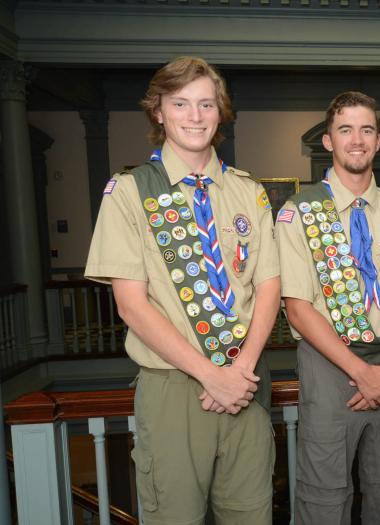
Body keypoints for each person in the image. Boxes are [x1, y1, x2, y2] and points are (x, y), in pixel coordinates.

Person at [85, 56, 281, 524]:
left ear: (220, 112)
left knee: (251, 516)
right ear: (158, 112)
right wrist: (211, 375)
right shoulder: (130, 191)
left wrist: (240, 370)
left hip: (247, 382)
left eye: (206, 104)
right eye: (181, 103)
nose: (195, 116)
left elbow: (269, 287)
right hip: (174, 387)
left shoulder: (248, 192)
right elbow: (131, 306)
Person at [275, 91, 380, 525]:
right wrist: (362, 373)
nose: (356, 139)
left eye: (366, 130)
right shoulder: (299, 213)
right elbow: (298, 308)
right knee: (325, 498)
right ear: (328, 141)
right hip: (330, 366)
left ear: (378, 141)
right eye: (345, 130)